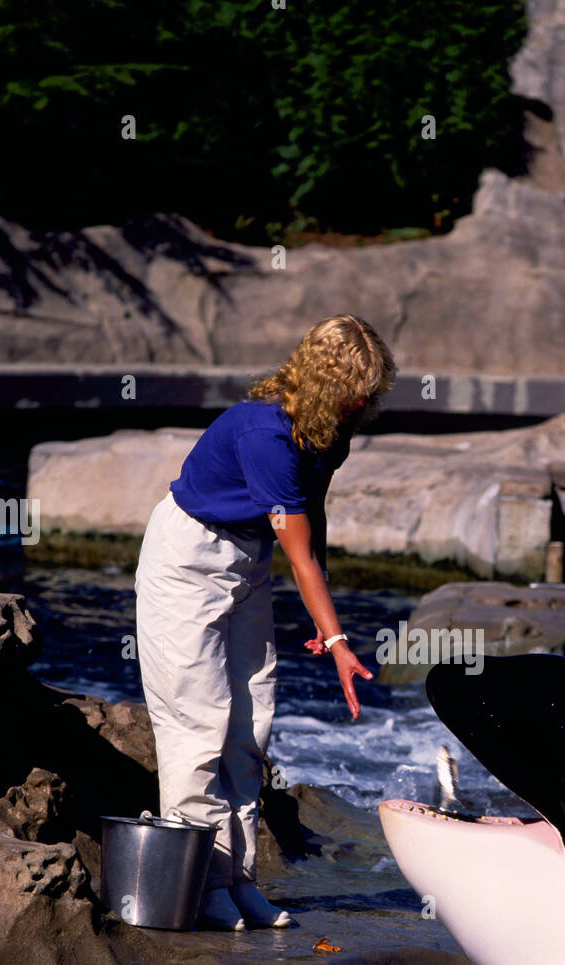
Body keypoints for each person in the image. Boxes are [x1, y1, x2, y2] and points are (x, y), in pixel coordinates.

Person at [134, 314, 394, 930]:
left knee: (251, 720)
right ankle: (204, 886)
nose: (366, 401)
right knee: (197, 722)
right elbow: (298, 553)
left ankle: (240, 879)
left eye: (373, 391)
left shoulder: (330, 430)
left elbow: (314, 519)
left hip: (248, 563)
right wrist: (334, 639)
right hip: (188, 559)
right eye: (358, 390)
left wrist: (321, 606)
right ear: (329, 383)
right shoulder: (266, 435)